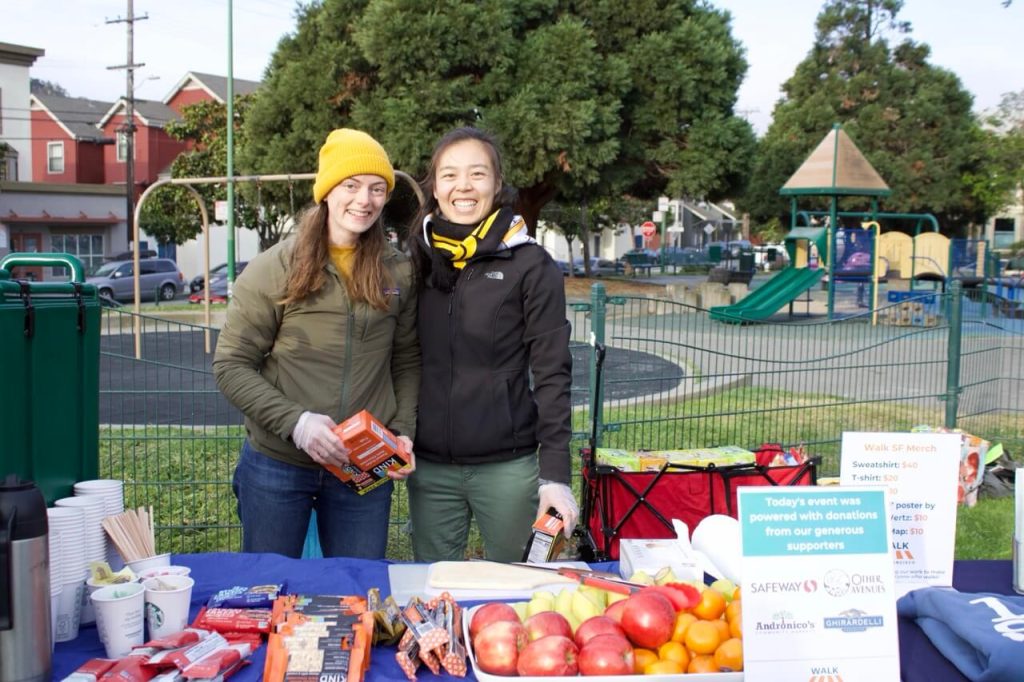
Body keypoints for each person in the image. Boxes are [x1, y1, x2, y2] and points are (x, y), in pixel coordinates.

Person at [213, 128, 420, 559]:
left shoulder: (397, 272)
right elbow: (231, 365)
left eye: (377, 189)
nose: (364, 200)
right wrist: (297, 422)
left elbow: (406, 360)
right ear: (327, 190)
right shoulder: (275, 268)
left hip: (361, 464)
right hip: (277, 463)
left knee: (358, 590)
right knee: (270, 590)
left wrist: (403, 431)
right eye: (351, 185)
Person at [406, 127, 578, 563]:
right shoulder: (415, 261)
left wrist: (555, 474)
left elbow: (553, 372)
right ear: (435, 187)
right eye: (449, 175)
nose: (463, 186)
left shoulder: (530, 264)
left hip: (509, 468)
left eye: (477, 174)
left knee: (521, 590)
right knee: (433, 591)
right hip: (429, 470)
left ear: (497, 185)